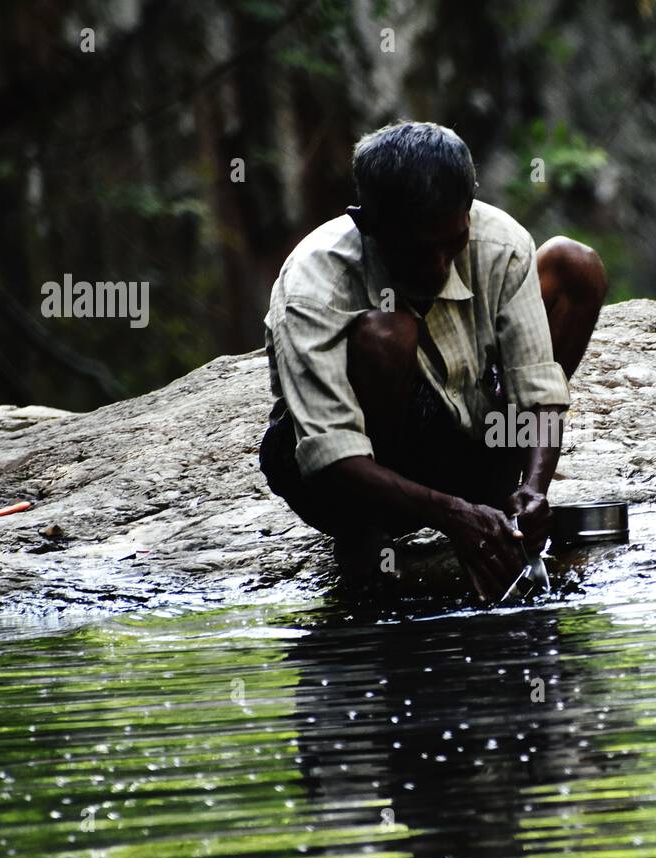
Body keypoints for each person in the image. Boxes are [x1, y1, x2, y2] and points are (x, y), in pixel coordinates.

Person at [259, 121, 607, 601]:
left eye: (453, 242)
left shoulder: (501, 243)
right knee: (388, 333)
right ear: (368, 224)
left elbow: (537, 389)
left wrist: (535, 487)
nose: (439, 266)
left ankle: (495, 499)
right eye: (418, 250)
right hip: (349, 476)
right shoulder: (314, 283)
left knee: (574, 264)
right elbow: (330, 455)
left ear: (468, 211)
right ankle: (366, 530)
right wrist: (450, 516)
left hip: (461, 438)